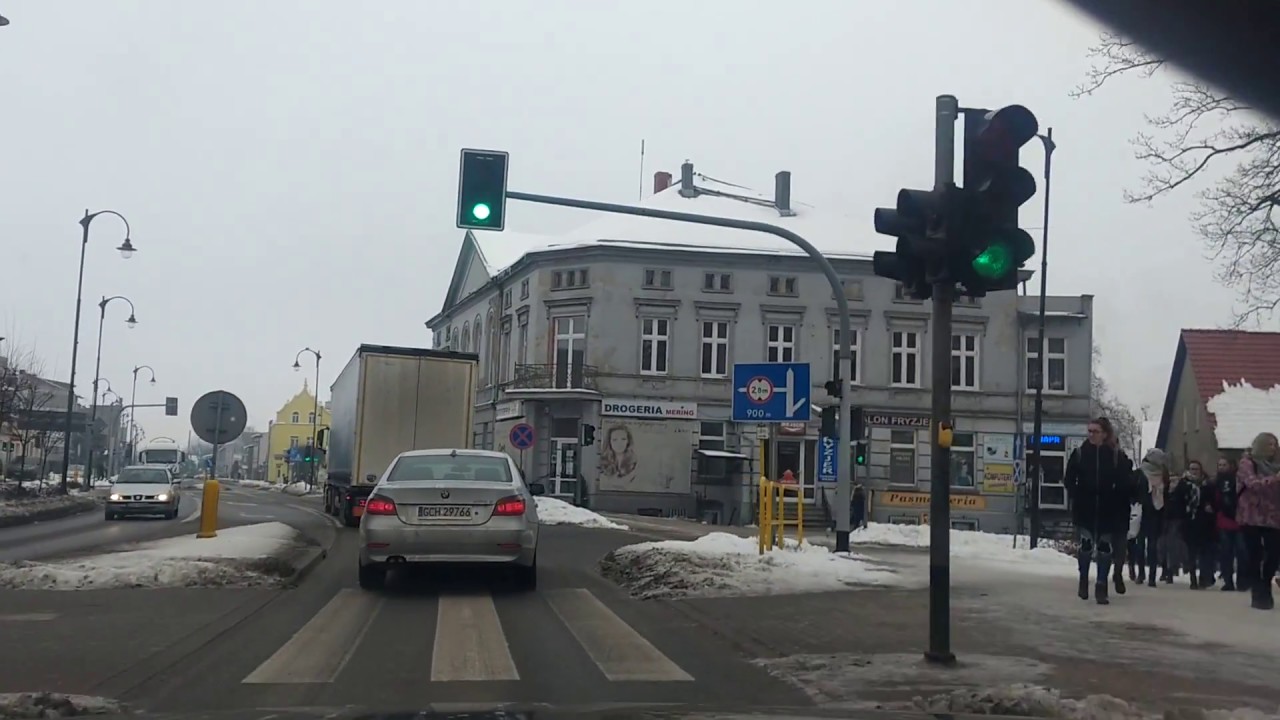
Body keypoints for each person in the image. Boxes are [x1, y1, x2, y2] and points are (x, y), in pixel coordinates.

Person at [1063, 417, 1134, 605]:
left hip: (1107, 510)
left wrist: (1116, 495)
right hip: (1085, 509)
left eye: (1095, 431)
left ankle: (1101, 585)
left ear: (1104, 434)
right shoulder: (1079, 454)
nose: (1092, 435)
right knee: (1085, 546)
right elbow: (1069, 479)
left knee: (1104, 549)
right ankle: (1084, 579)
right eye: (1089, 431)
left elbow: (1124, 482)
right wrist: (1077, 495)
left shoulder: (1114, 456)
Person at [1237, 432, 1280, 610]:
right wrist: (1275, 479)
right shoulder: (1248, 463)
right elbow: (1253, 484)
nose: (1273, 448)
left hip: (1274, 516)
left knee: (1274, 554)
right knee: (1254, 555)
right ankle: (1258, 591)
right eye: (1269, 444)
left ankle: (1266, 584)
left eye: (1275, 444)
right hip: (1251, 515)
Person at [1214, 456, 1248, 592]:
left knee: (1242, 552)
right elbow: (1215, 499)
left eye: (1224, 464)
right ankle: (1228, 581)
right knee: (1226, 552)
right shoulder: (1217, 481)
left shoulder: (1238, 480)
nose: (1221, 467)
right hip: (1225, 520)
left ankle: (1242, 581)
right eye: (1219, 465)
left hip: (1240, 519)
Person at [1184, 460, 1219, 589]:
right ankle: (1193, 578)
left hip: (1205, 522)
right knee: (1191, 552)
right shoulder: (1184, 484)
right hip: (1190, 522)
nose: (1194, 471)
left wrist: (1211, 507)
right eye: (1191, 469)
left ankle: (1205, 577)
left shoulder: (1208, 485)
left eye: (1196, 469)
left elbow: (1214, 501)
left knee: (1206, 552)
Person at [1137, 449, 1169, 587]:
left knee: (1153, 545)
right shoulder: (1140, 473)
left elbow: (1167, 492)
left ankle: (1152, 576)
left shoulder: (1163, 474)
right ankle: (1141, 573)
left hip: (1157, 513)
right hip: (1142, 511)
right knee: (1140, 544)